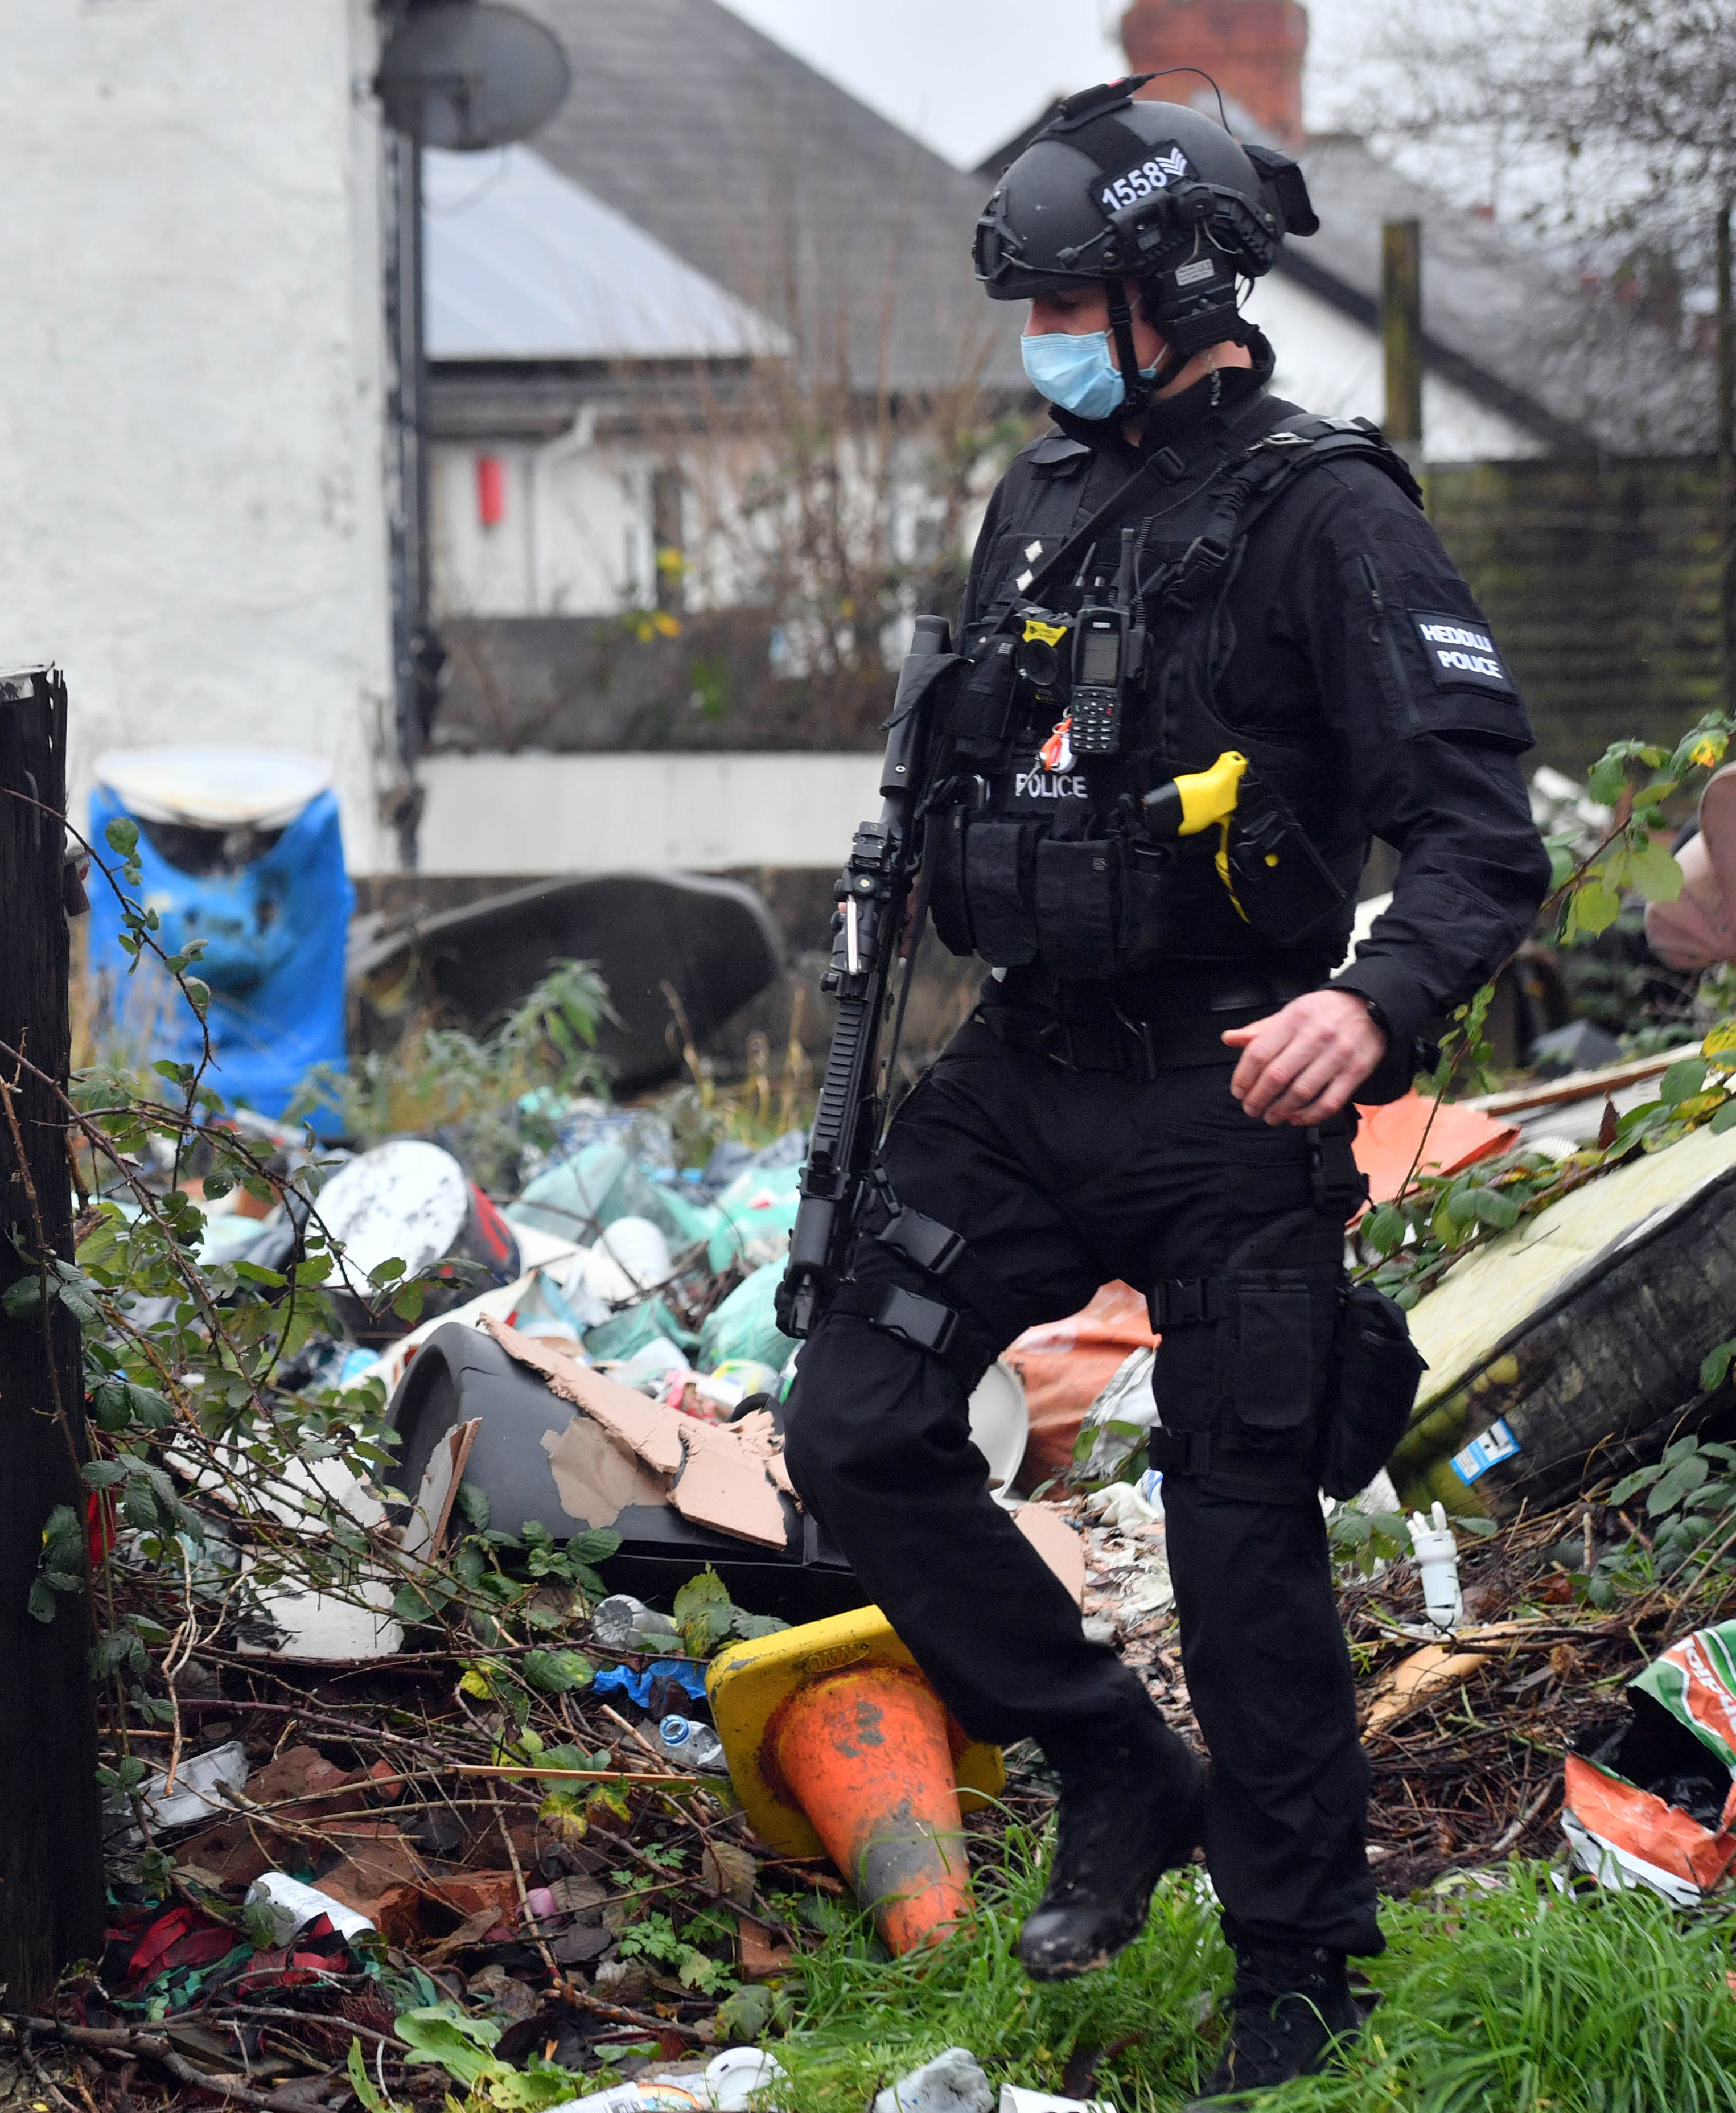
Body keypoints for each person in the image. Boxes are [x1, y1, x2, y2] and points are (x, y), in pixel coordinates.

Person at [779, 79, 1548, 2102]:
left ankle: (1302, 1979)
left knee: (1240, 1536)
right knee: (853, 1423)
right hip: (1024, 1071)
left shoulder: (1332, 516)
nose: (1039, 339)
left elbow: (1482, 837)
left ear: (1181, 289)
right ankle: (1116, 1761)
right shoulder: (1038, 497)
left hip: (1236, 1096)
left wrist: (1372, 1008)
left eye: (1066, 301)